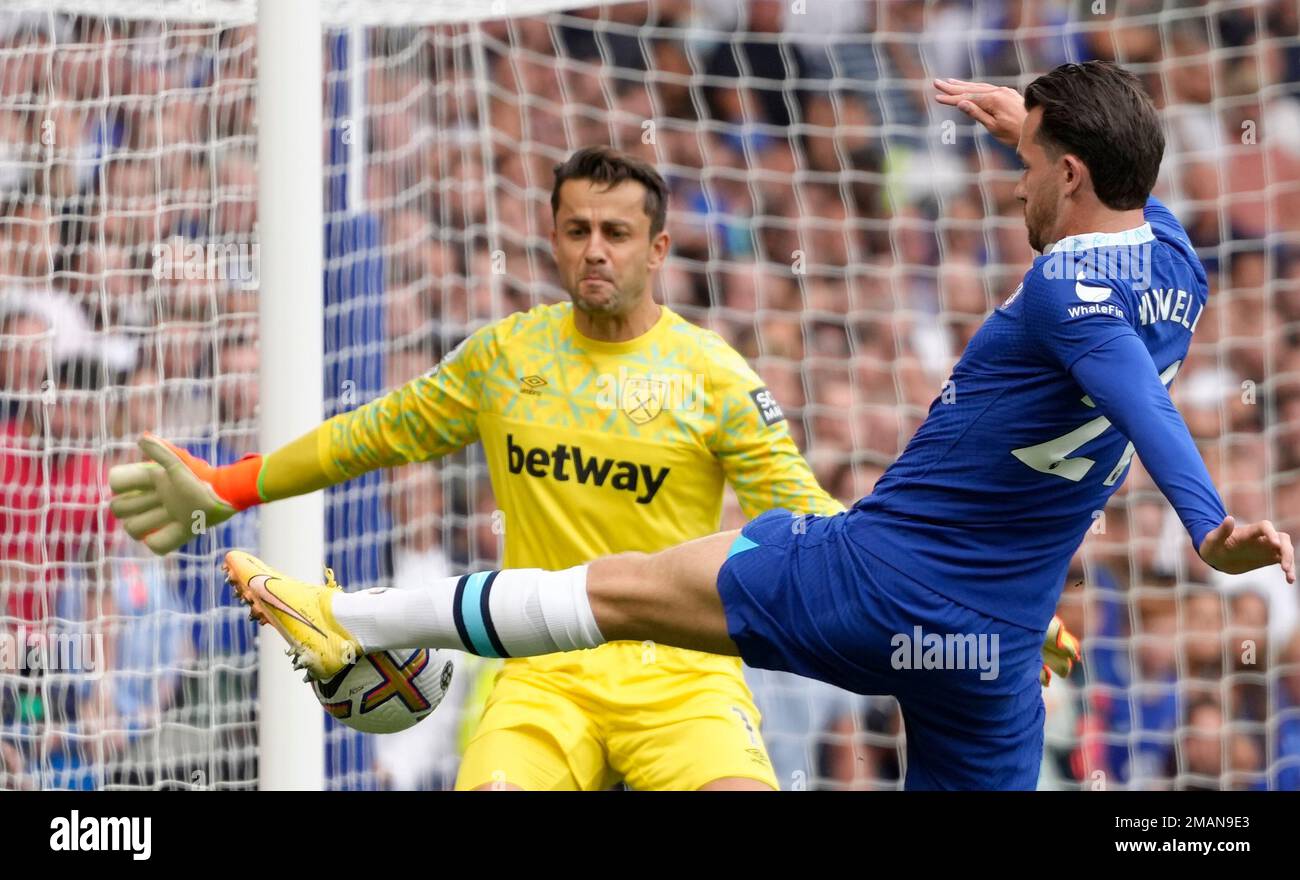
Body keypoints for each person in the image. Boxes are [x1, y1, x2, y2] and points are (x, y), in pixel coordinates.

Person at [110, 146, 846, 791]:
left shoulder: (712, 375)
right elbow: (374, 434)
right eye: (577, 230)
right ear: (553, 239)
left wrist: (908, 573)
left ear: (656, 249)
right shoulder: (505, 357)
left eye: (616, 234)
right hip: (541, 670)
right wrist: (230, 486)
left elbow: (808, 524)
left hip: (686, 678)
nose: (595, 250)